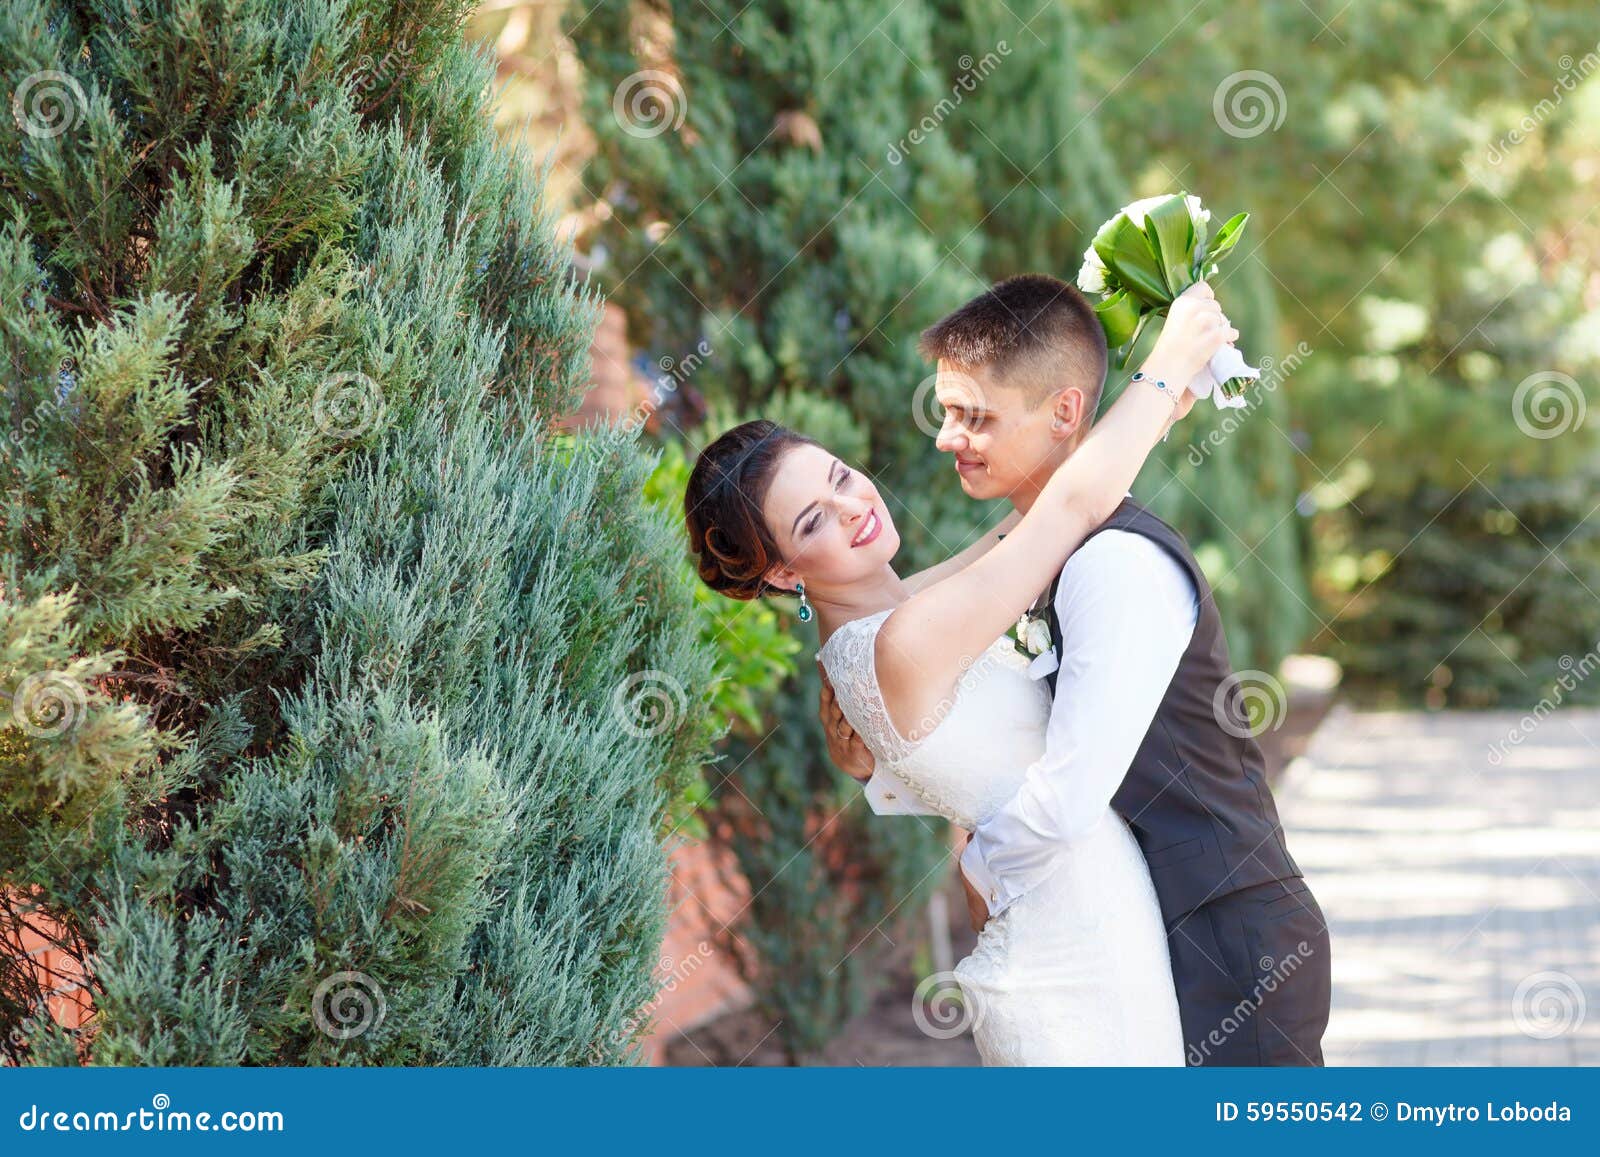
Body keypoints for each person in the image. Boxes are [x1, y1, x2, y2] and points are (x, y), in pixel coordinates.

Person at [684, 281, 1232, 1064]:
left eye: (839, 475)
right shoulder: (903, 643)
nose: (851, 507)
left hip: (1085, 927)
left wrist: (1121, 415)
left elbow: (1015, 530)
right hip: (1072, 960)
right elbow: (1066, 512)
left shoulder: (889, 621)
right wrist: (1165, 365)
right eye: (812, 522)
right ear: (778, 574)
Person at [821, 274, 1331, 1066]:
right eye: (948, 412)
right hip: (1157, 930)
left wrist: (981, 875)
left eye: (974, 416)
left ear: (1063, 412)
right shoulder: (1044, 555)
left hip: (1230, 940)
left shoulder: (1114, 565)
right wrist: (860, 701)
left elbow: (1066, 794)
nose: (947, 437)